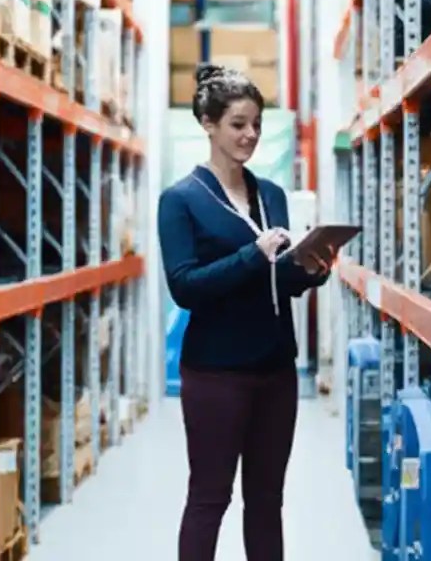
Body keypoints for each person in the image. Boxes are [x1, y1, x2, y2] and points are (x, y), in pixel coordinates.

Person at [158, 63, 332, 561]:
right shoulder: (181, 201)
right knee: (209, 498)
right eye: (238, 124)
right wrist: (251, 255)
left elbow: (278, 280)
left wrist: (311, 270)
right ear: (208, 124)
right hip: (217, 373)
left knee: (267, 501)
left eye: (256, 123)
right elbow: (185, 287)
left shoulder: (270, 195)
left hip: (276, 370)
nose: (250, 134)